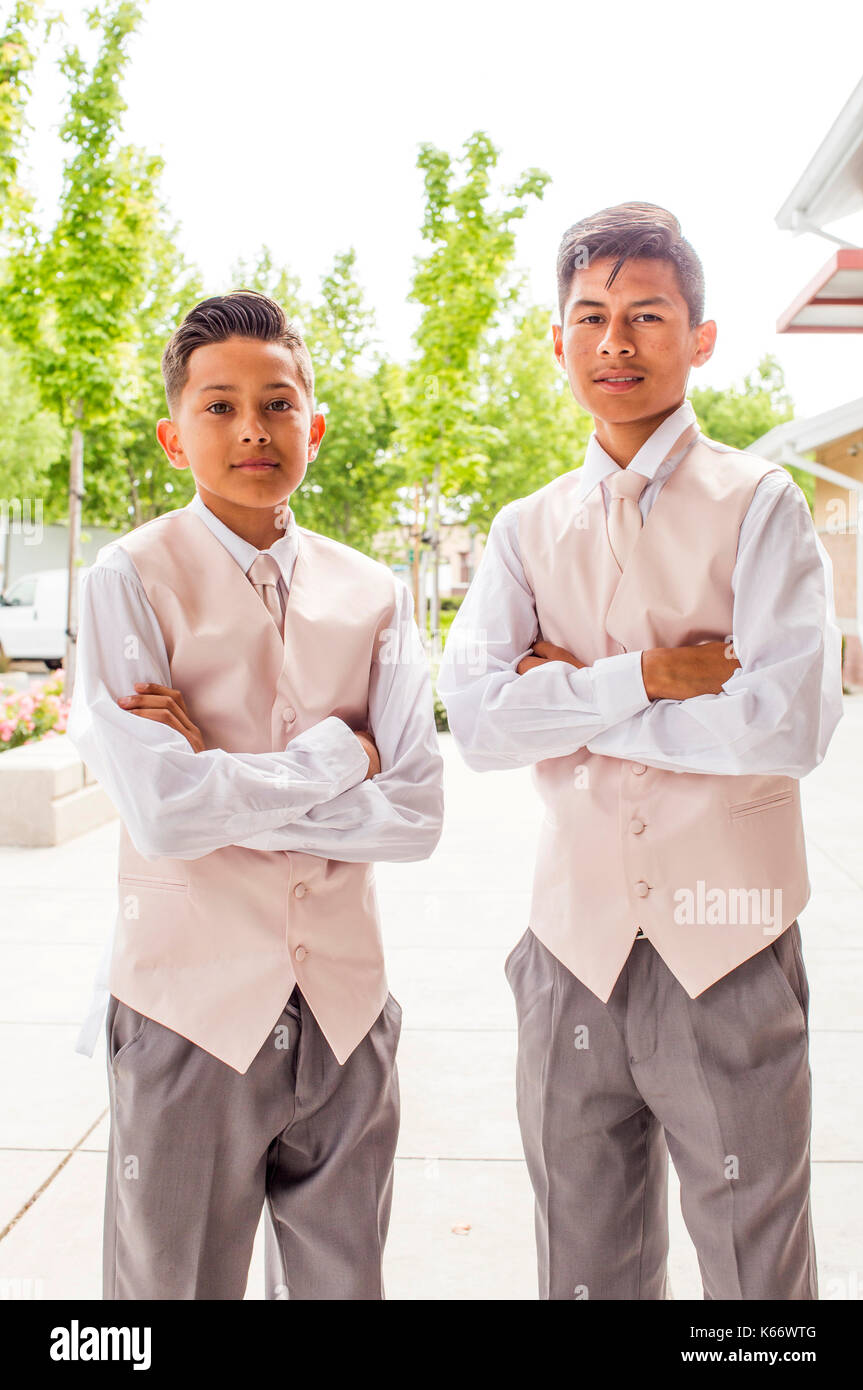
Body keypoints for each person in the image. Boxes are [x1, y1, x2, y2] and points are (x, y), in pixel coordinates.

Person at [437, 202, 843, 1300]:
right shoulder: (525, 528)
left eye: (647, 316)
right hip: (569, 947)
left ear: (700, 337)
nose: (615, 342)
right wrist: (648, 678)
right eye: (591, 317)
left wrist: (562, 696)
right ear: (555, 339)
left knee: (756, 1273)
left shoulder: (760, 506)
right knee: (581, 1263)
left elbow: (787, 723)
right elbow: (471, 719)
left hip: (727, 946)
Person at [68, 290, 444, 1300]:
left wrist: (216, 772)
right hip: (186, 1013)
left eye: (277, 404)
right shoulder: (127, 579)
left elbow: (415, 817)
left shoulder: (374, 592)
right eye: (219, 406)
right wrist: (337, 757)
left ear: (312, 423)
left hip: (346, 1012)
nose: (251, 430)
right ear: (172, 432)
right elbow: (162, 813)